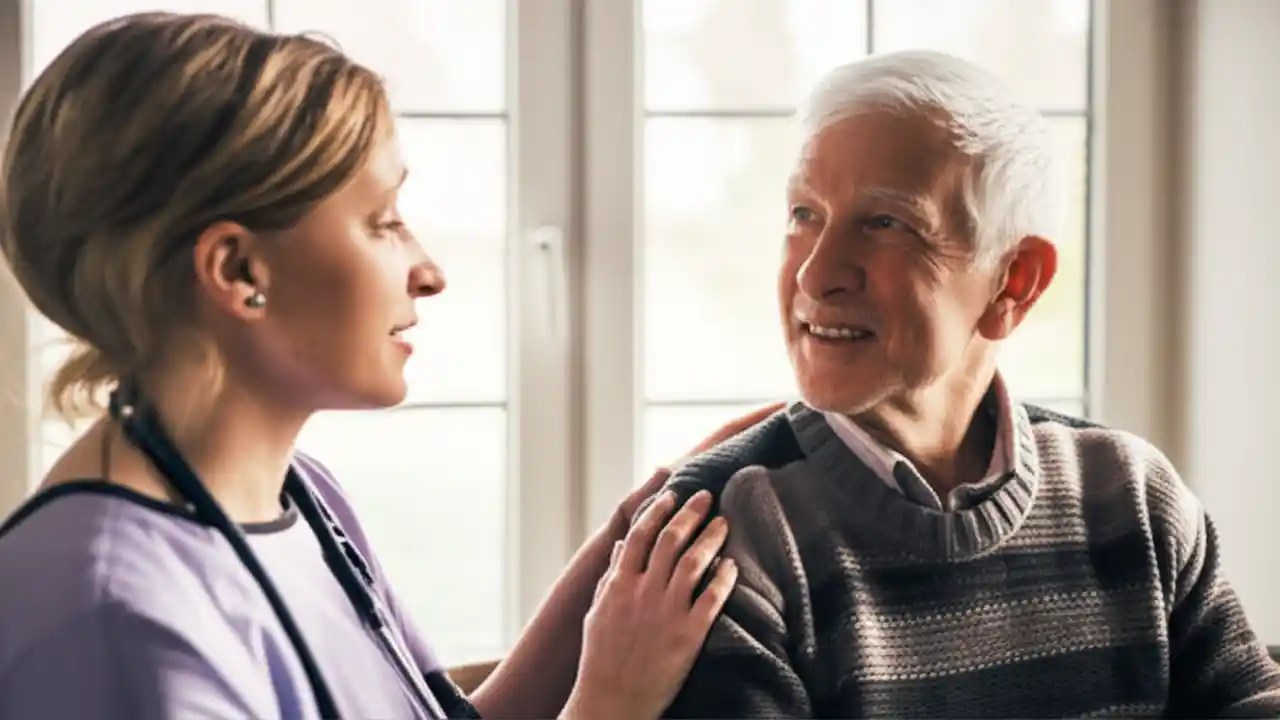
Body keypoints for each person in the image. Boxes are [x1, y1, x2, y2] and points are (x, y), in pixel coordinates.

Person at [0, 12, 776, 719]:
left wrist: (640, 530)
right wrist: (614, 701)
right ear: (238, 271)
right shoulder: (112, 620)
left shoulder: (307, 499)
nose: (429, 270)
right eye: (383, 223)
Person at [654, 51, 1280, 718]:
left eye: (884, 223)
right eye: (803, 214)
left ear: (1016, 280)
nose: (815, 275)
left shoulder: (1131, 494)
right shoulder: (722, 529)